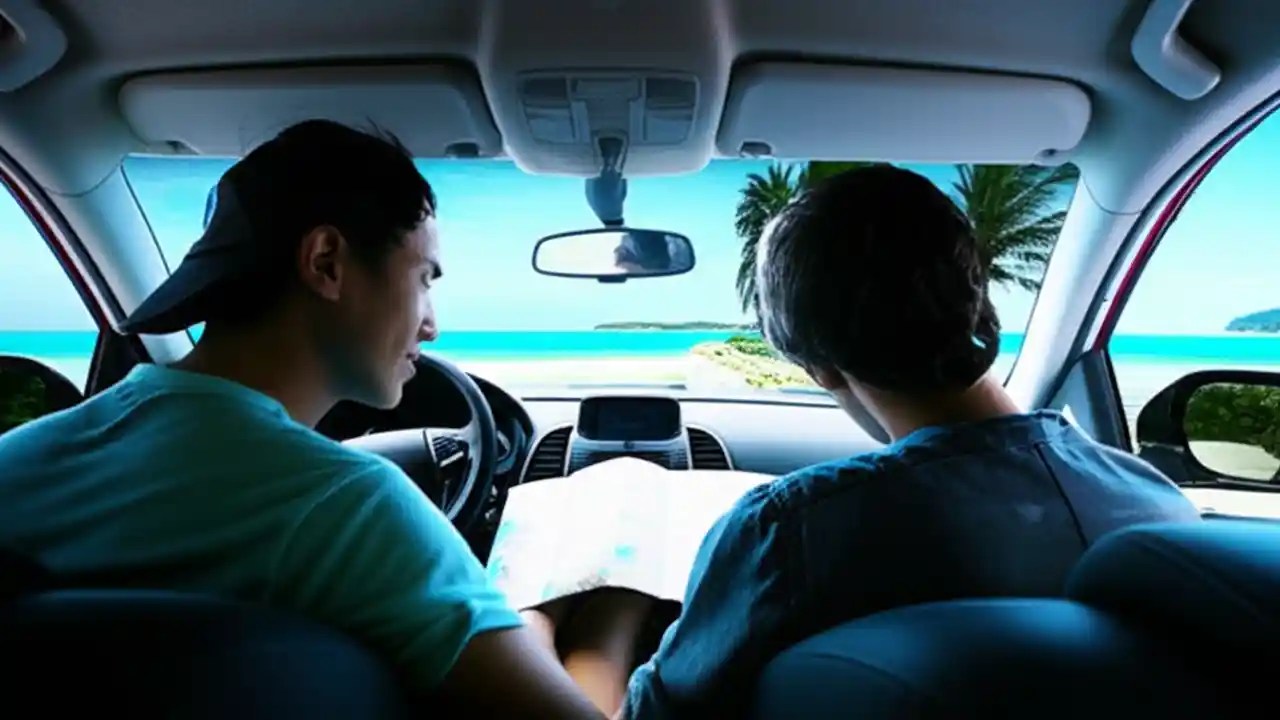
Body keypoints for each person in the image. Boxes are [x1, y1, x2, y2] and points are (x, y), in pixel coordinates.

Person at [532, 164, 1202, 718]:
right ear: (977, 296)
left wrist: (603, 613)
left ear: (816, 363)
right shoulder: (1158, 509)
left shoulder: (788, 536)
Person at [0, 120, 603, 718]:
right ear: (326, 262)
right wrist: (592, 605)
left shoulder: (15, 464)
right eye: (423, 279)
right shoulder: (351, 506)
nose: (431, 325)